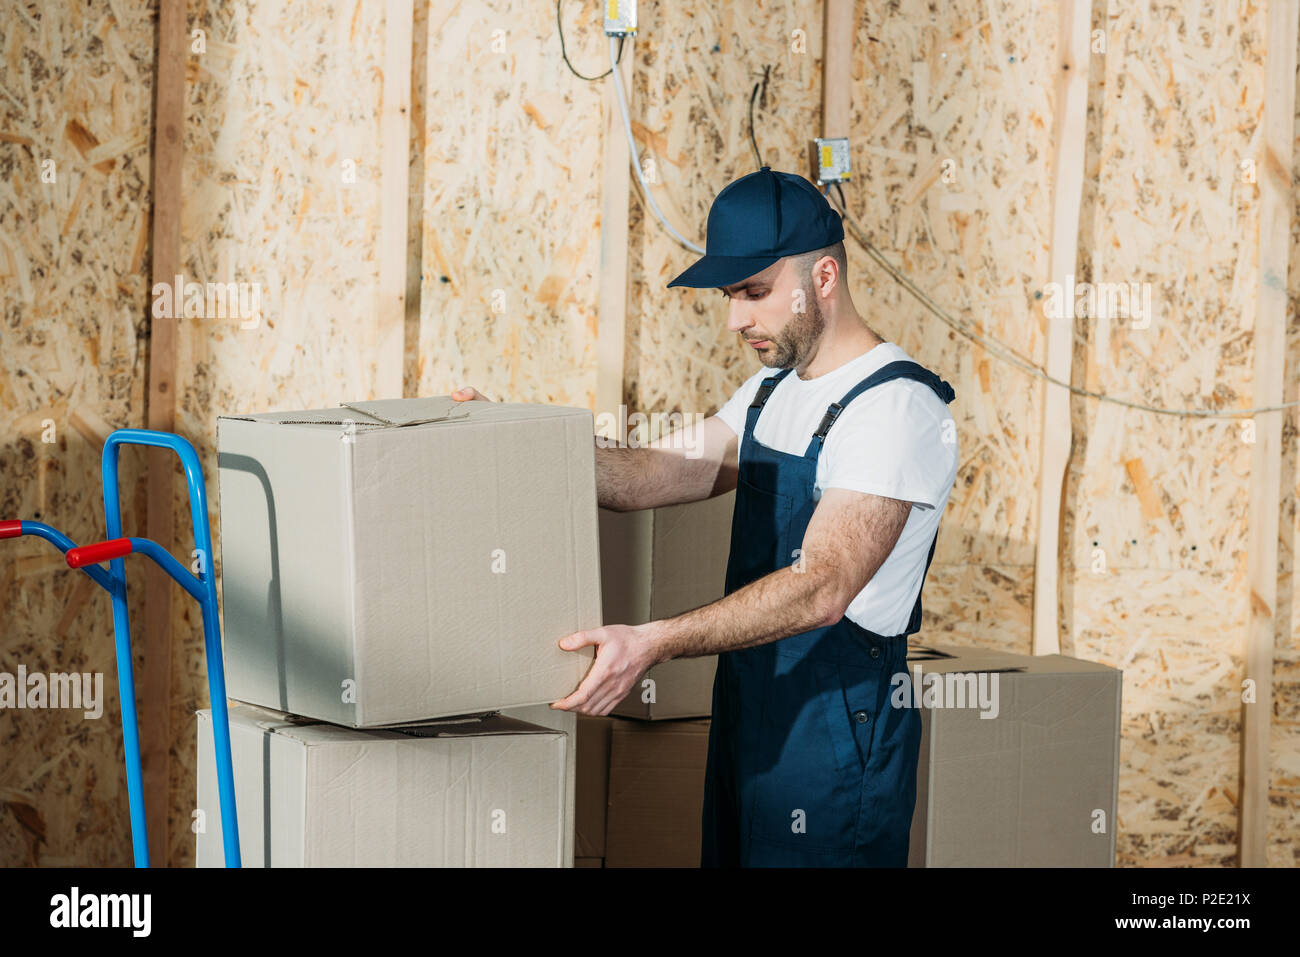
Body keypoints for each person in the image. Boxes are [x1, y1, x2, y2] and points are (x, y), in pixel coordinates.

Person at [452, 166, 958, 867]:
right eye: (730, 295)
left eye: (754, 293)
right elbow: (647, 475)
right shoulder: (771, 389)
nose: (736, 319)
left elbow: (822, 585)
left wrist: (654, 640)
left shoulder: (893, 409)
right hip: (751, 720)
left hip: (836, 738)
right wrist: (518, 441)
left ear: (825, 278)